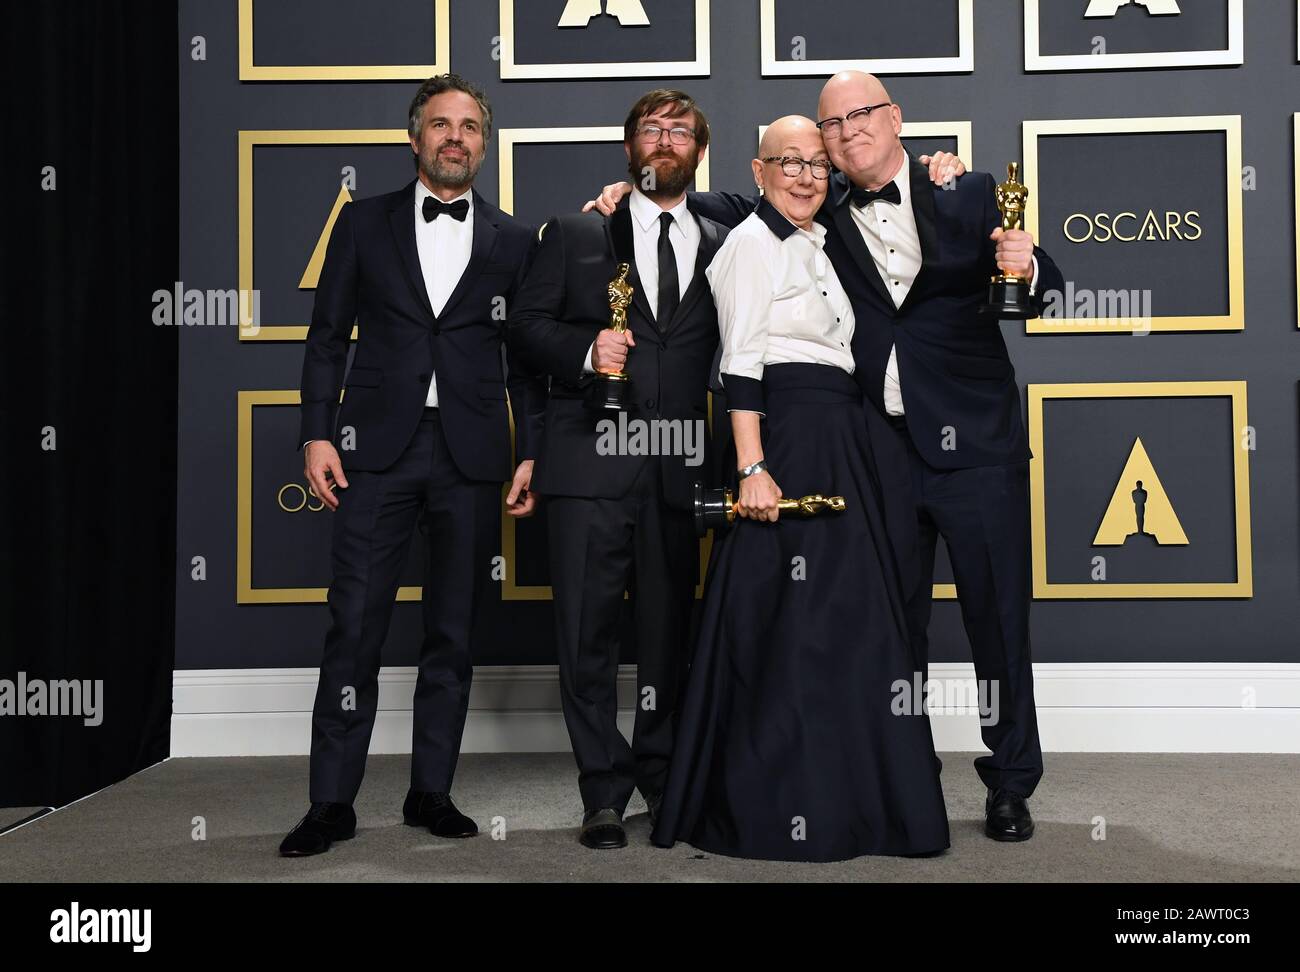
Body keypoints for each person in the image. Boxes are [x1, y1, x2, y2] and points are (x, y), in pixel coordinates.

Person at [592, 71, 1063, 842]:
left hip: (976, 446)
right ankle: (906, 776)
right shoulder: (816, 209)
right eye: (830, 125)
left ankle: (1011, 782)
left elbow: (1042, 284)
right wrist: (629, 190)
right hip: (876, 452)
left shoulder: (968, 191)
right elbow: (725, 204)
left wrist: (1025, 261)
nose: (844, 135)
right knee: (889, 628)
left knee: (997, 622)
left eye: (860, 116)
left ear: (895, 118)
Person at [650, 116, 949, 861]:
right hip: (784, 438)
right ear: (759, 171)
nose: (808, 175)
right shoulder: (751, 246)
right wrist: (752, 468)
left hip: (841, 438)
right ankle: (781, 799)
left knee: (843, 628)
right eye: (790, 162)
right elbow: (741, 364)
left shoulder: (821, 240)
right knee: (786, 627)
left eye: (819, 163)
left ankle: (855, 797)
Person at [280, 74, 544, 857]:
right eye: (440, 124)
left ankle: (432, 790)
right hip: (373, 454)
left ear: (483, 143)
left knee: (452, 633)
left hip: (470, 457)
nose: (454, 137)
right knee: (353, 629)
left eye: (468, 126)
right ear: (415, 137)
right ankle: (330, 802)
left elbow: (525, 363)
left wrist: (529, 449)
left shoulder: (512, 239)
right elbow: (327, 337)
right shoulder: (363, 224)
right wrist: (316, 434)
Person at [507, 90, 729, 850]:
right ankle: (601, 788)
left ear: (700, 152)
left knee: (668, 636)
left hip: (678, 471)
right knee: (586, 634)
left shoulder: (727, 235)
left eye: (679, 131)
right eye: (649, 129)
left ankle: (660, 776)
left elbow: (810, 194)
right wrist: (583, 353)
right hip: (588, 466)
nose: (662, 141)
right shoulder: (573, 233)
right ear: (628, 147)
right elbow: (523, 329)